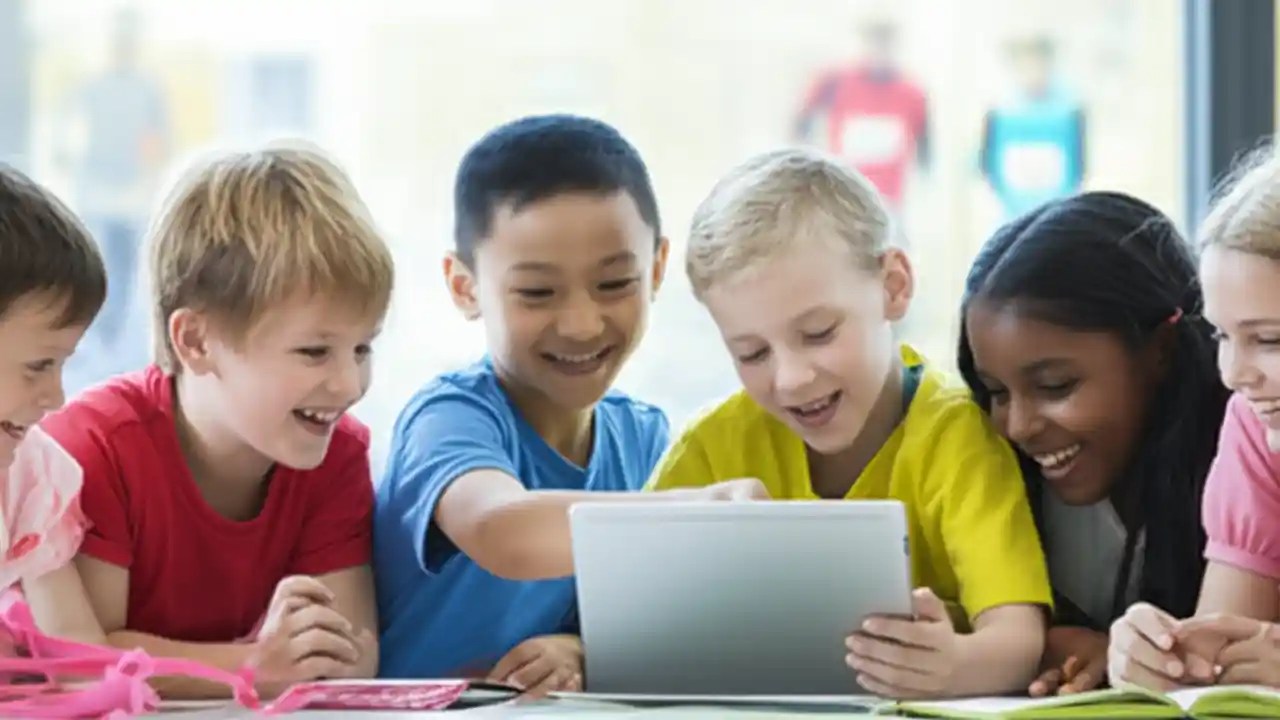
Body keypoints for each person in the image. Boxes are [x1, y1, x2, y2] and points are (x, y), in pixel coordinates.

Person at [374, 115, 765, 693]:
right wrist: (700, 510)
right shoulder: (448, 417)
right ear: (464, 286)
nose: (582, 324)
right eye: (537, 293)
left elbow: (644, 615)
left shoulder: (646, 439)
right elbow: (502, 530)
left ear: (657, 269)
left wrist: (580, 646)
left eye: (615, 284)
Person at [648, 147, 1051, 699]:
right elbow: (629, 611)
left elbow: (1018, 639)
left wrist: (957, 666)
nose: (791, 379)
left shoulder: (956, 435)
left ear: (893, 287)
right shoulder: (712, 446)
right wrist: (573, 649)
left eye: (819, 333)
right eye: (752, 353)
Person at [32, 143, 393, 698]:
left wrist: (324, 657)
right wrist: (253, 664)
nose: (350, 385)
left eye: (363, 349)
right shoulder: (94, 446)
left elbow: (346, 652)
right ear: (196, 341)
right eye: (314, 352)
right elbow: (87, 657)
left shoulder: (336, 453)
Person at [958, 191, 1229, 695]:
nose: (1019, 426)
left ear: (1161, 349)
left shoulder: (1244, 468)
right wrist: (1040, 642)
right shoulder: (990, 476)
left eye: (1055, 386)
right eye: (996, 392)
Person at [1111, 148, 1280, 690]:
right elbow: (1222, 667)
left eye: (1270, 340)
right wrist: (1166, 659)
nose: (1233, 374)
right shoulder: (1257, 427)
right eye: (1222, 335)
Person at [0, 164, 106, 643]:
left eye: (62, 365)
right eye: (39, 365)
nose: (56, 397)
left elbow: (76, 650)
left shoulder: (31, 476)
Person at [794, 20, 929, 210]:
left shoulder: (911, 93)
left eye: (885, 45)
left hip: (888, 198)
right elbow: (803, 120)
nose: (879, 53)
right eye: (874, 44)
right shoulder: (836, 82)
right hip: (841, 191)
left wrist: (926, 179)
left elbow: (924, 143)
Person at [978, 35, 1086, 221]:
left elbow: (1077, 169)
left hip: (1056, 218)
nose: (1034, 73)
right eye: (1026, 65)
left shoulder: (1068, 113)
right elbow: (989, 168)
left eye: (1039, 64)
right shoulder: (1000, 113)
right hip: (1011, 218)